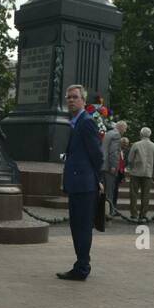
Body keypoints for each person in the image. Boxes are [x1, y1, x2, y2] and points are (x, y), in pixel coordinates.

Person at [58, 83, 103, 281]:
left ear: (83, 101)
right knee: (77, 226)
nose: (70, 100)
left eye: (75, 97)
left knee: (82, 227)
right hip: (78, 184)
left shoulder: (86, 122)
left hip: (84, 185)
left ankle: (83, 267)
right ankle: (80, 264)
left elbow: (97, 154)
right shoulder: (76, 122)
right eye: (68, 97)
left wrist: (96, 178)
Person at [127, 126, 154, 222]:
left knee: (133, 194)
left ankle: (134, 214)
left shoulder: (136, 145)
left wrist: (131, 167)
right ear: (150, 135)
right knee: (146, 195)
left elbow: (130, 159)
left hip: (136, 173)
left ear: (141, 134)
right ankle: (143, 214)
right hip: (148, 173)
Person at [102, 119, 127, 214]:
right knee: (109, 191)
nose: (125, 131)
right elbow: (113, 152)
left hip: (103, 165)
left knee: (104, 190)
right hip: (109, 167)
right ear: (120, 127)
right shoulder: (117, 135)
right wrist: (113, 166)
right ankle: (108, 213)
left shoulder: (109, 133)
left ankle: (101, 212)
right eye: (125, 129)